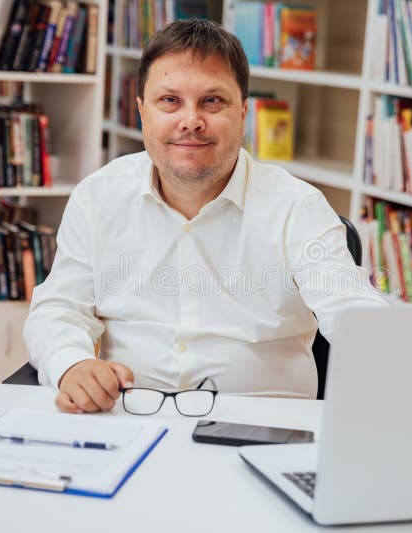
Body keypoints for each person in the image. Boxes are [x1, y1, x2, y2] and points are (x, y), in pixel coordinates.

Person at [23, 18, 387, 414]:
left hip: (261, 426)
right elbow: (58, 307)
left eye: (212, 101)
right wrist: (71, 364)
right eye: (170, 101)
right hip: (130, 415)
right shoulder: (98, 197)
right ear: (142, 111)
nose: (191, 120)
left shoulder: (297, 208)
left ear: (243, 112)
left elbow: (355, 315)